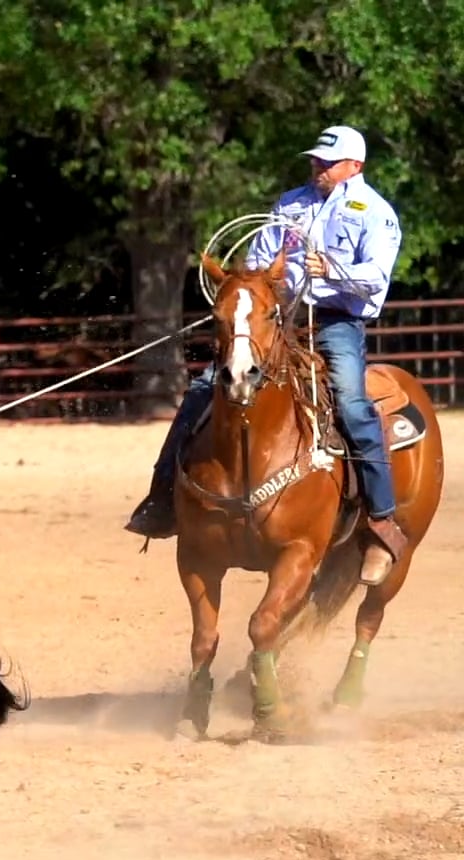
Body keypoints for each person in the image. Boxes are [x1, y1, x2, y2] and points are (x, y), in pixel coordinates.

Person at [125, 124, 408, 583]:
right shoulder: (290, 204)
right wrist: (249, 293)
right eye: (315, 161)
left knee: (353, 405)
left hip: (336, 321)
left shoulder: (375, 212)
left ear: (354, 165)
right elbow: (261, 259)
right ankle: (162, 497)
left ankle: (380, 522)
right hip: (281, 318)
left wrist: (332, 268)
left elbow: (377, 276)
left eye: (326, 162)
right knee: (202, 390)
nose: (317, 168)